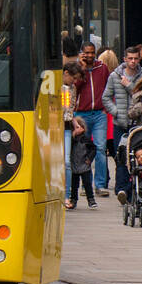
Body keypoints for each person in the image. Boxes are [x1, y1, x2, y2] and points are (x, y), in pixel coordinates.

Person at [105, 46, 142, 203]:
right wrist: (116, 112)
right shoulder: (115, 76)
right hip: (120, 123)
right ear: (125, 59)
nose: (133, 61)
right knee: (121, 157)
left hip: (137, 124)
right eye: (130, 58)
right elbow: (106, 98)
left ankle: (133, 189)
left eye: (136, 58)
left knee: (138, 157)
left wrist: (129, 86)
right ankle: (121, 189)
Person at [73, 42, 111, 194]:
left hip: (99, 114)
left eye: (92, 52)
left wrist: (106, 108)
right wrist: (82, 69)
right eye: (86, 53)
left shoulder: (102, 67)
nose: (89, 55)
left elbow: (109, 88)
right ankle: (85, 184)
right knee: (82, 151)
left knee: (100, 148)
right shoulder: (75, 68)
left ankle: (100, 184)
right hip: (81, 114)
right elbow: (74, 86)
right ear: (81, 53)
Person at [62, 61, 87, 200]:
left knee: (66, 161)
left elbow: (68, 109)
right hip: (56, 125)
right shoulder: (57, 87)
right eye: (74, 77)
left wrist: (74, 122)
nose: (75, 81)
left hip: (66, 126)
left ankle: (67, 195)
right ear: (66, 73)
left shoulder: (72, 88)